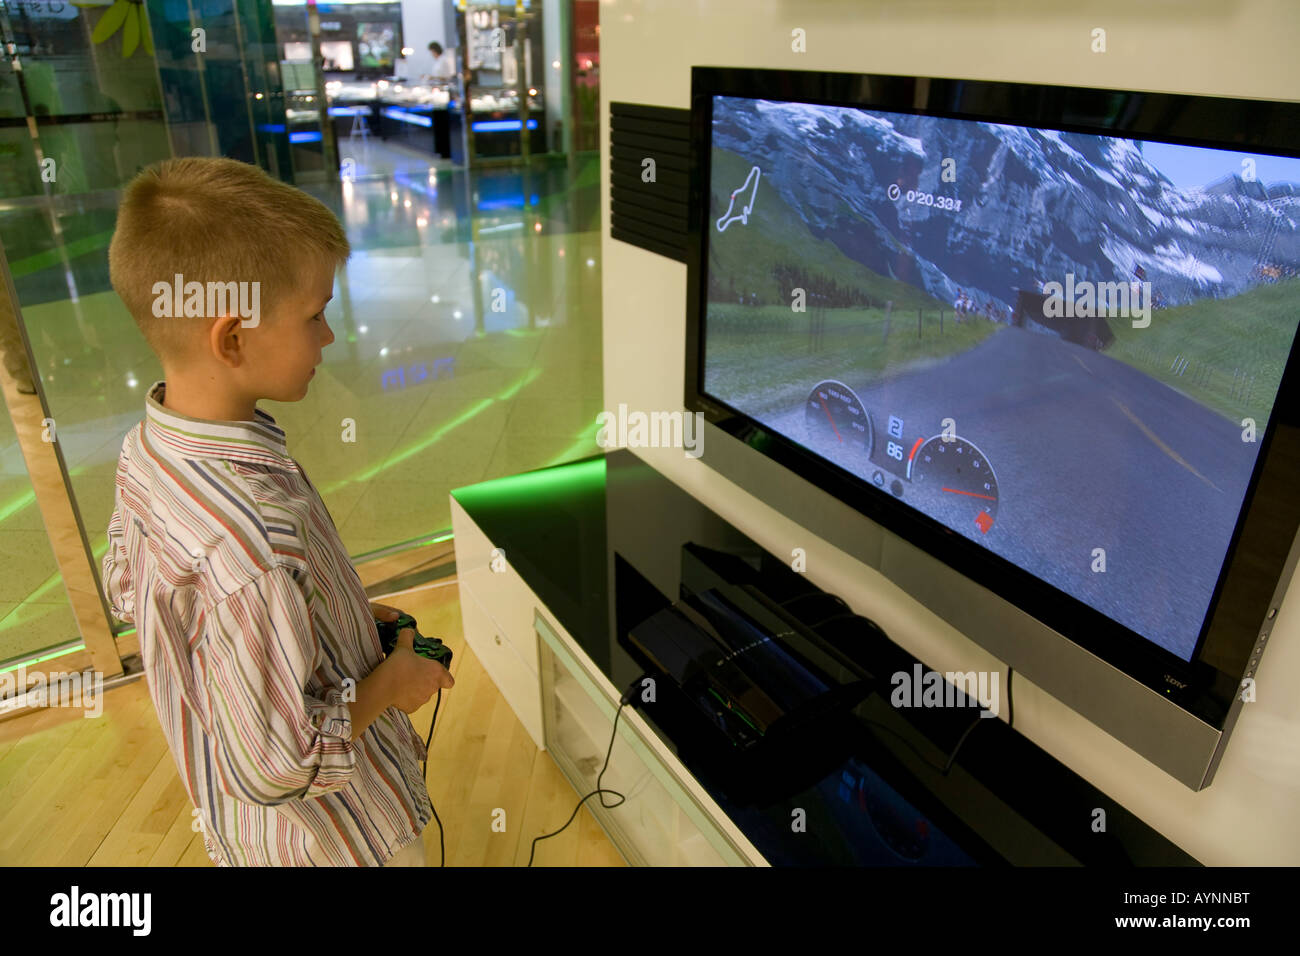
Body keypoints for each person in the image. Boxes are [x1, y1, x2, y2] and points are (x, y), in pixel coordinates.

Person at [101, 157, 454, 867]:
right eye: (315, 315)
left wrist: (335, 615)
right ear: (233, 339)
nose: (328, 337)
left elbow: (131, 586)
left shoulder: (149, 450)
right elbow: (274, 765)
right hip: (340, 844)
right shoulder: (251, 541)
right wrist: (389, 684)